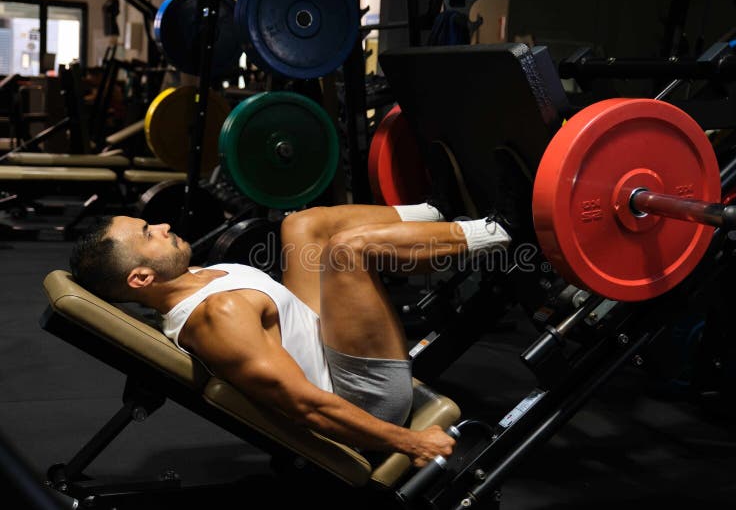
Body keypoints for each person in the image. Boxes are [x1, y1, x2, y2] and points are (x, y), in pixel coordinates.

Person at [69, 153, 533, 468]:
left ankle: (433, 212)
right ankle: (505, 232)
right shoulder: (217, 318)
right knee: (348, 250)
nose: (163, 225)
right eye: (148, 234)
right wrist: (411, 442)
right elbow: (306, 406)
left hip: (325, 345)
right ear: (141, 280)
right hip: (361, 396)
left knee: (300, 225)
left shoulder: (189, 278)